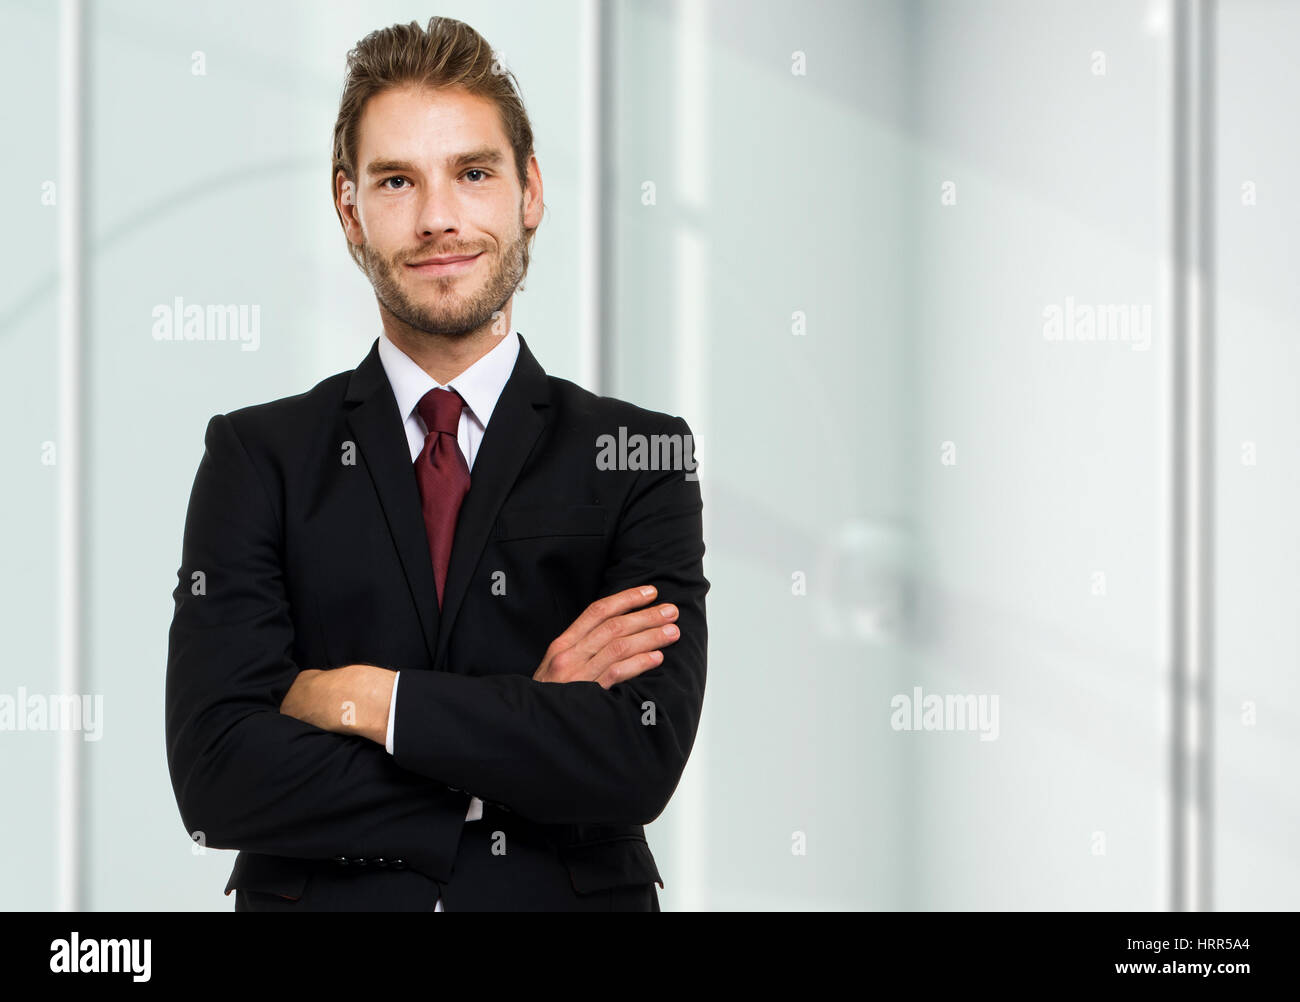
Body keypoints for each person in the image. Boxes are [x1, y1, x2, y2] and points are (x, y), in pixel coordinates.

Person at [163, 16, 708, 912]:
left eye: (474, 172)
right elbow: (219, 773)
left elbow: (633, 760)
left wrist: (376, 703)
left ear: (529, 190)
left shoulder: (638, 456)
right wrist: (521, 726)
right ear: (349, 209)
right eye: (395, 181)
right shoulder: (257, 456)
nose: (438, 219)